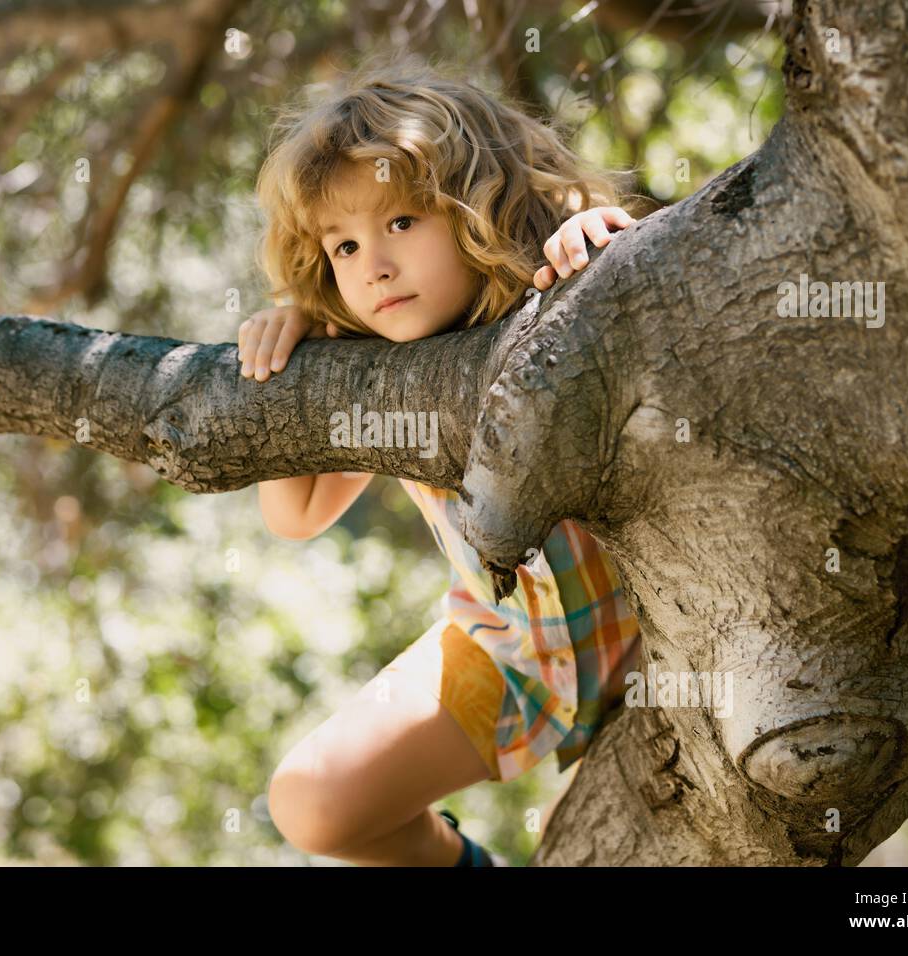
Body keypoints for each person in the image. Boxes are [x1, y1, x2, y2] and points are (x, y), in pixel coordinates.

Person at [240, 54, 643, 866]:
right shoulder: (376, 369)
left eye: (399, 223)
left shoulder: (571, 283)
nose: (375, 266)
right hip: (511, 655)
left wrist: (599, 244)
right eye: (343, 246)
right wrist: (280, 386)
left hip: (663, 645)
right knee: (311, 802)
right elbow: (295, 517)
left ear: (477, 204)